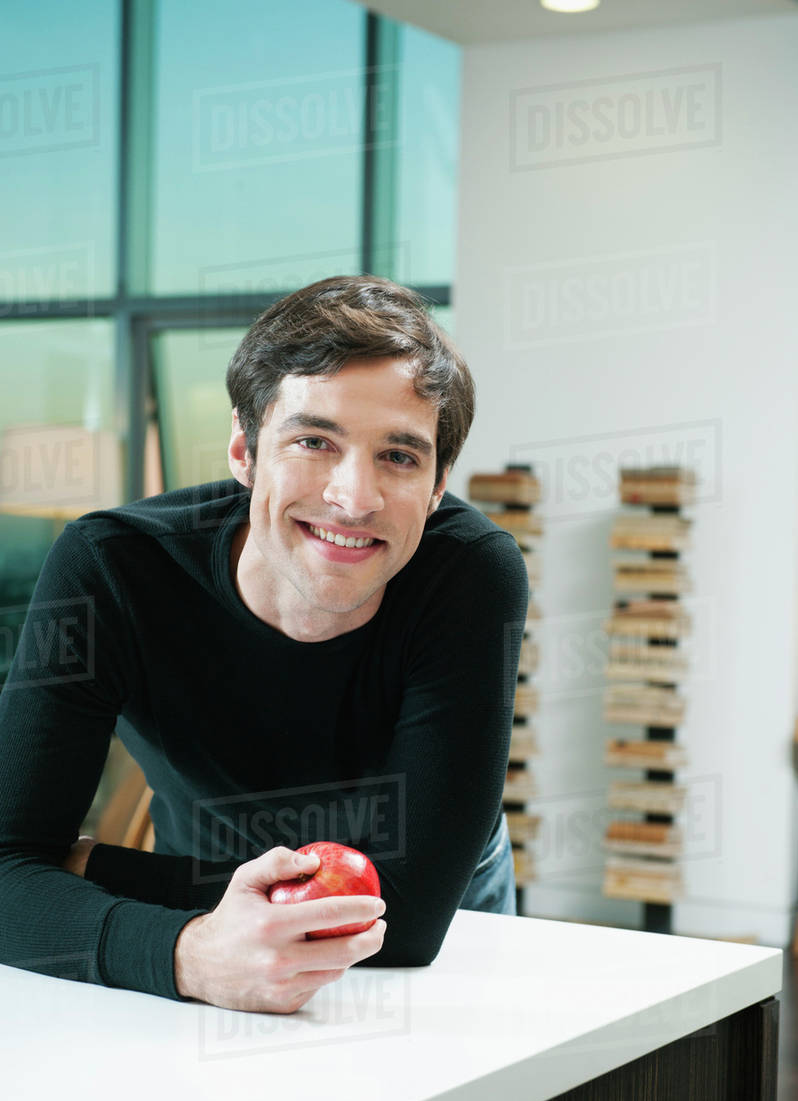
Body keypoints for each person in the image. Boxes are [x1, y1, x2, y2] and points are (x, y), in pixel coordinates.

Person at [0, 275, 529, 1014]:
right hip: (207, 914)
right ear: (246, 452)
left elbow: (405, 921)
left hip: (440, 898)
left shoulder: (469, 571)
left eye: (400, 457)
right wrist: (184, 954)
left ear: (440, 484)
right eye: (314, 441)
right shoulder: (113, 567)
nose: (355, 497)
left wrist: (99, 871)